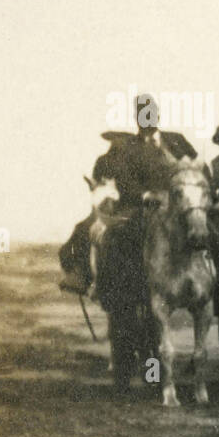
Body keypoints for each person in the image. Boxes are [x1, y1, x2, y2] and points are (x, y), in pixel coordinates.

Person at [59, 94, 198, 295]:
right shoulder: (125, 146)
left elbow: (194, 167)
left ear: (158, 115)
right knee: (108, 235)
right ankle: (101, 283)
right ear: (136, 118)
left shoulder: (176, 140)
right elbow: (123, 178)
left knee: (211, 233)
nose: (147, 118)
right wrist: (144, 195)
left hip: (176, 204)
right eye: (142, 114)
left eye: (151, 113)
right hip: (139, 205)